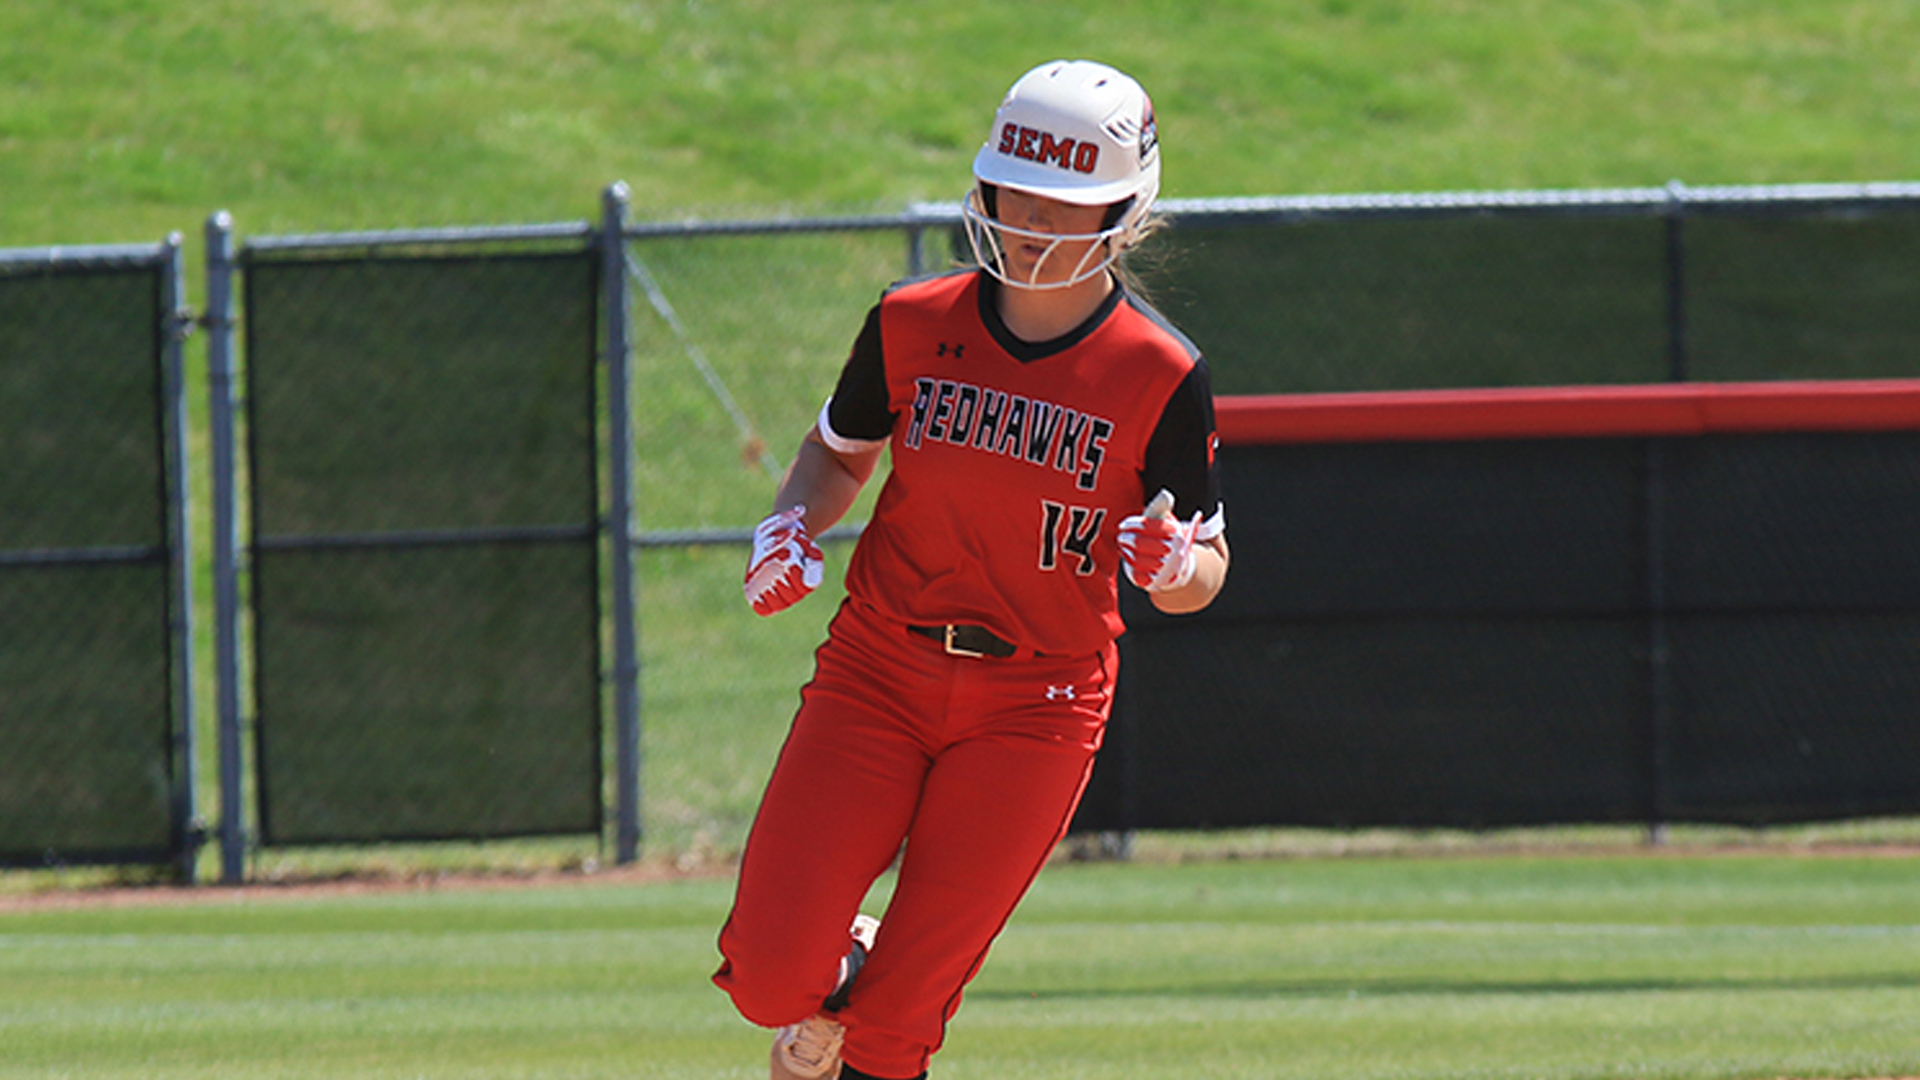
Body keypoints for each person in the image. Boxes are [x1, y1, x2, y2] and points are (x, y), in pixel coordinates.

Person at [713, 58, 1229, 1080]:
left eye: (1065, 201)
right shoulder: (912, 320)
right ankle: (845, 958)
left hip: (1036, 701)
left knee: (898, 1024)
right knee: (771, 979)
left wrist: (1176, 567)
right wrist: (788, 525)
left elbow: (1206, 557)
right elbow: (837, 452)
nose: (1030, 218)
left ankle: (872, 995)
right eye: (1014, 190)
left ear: (1125, 211)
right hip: (878, 670)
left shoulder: (1161, 372)